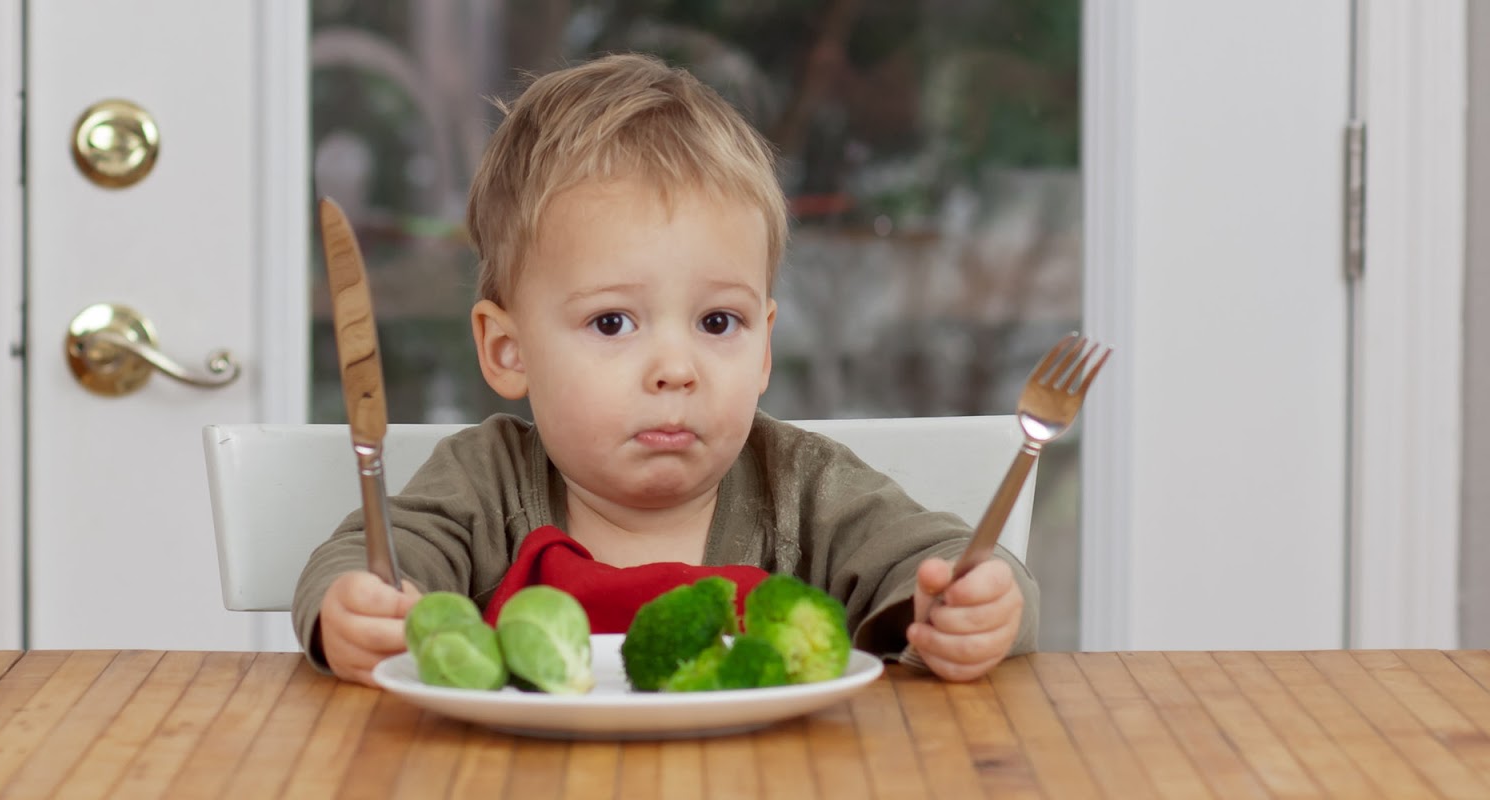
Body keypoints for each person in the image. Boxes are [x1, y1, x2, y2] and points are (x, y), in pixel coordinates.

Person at [293, 53, 1038, 688]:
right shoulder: (485, 484)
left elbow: (944, 562)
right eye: (612, 323)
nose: (676, 370)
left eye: (718, 323)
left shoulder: (804, 488)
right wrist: (353, 610)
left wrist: (969, 608)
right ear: (507, 351)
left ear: (765, 347)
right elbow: (364, 559)